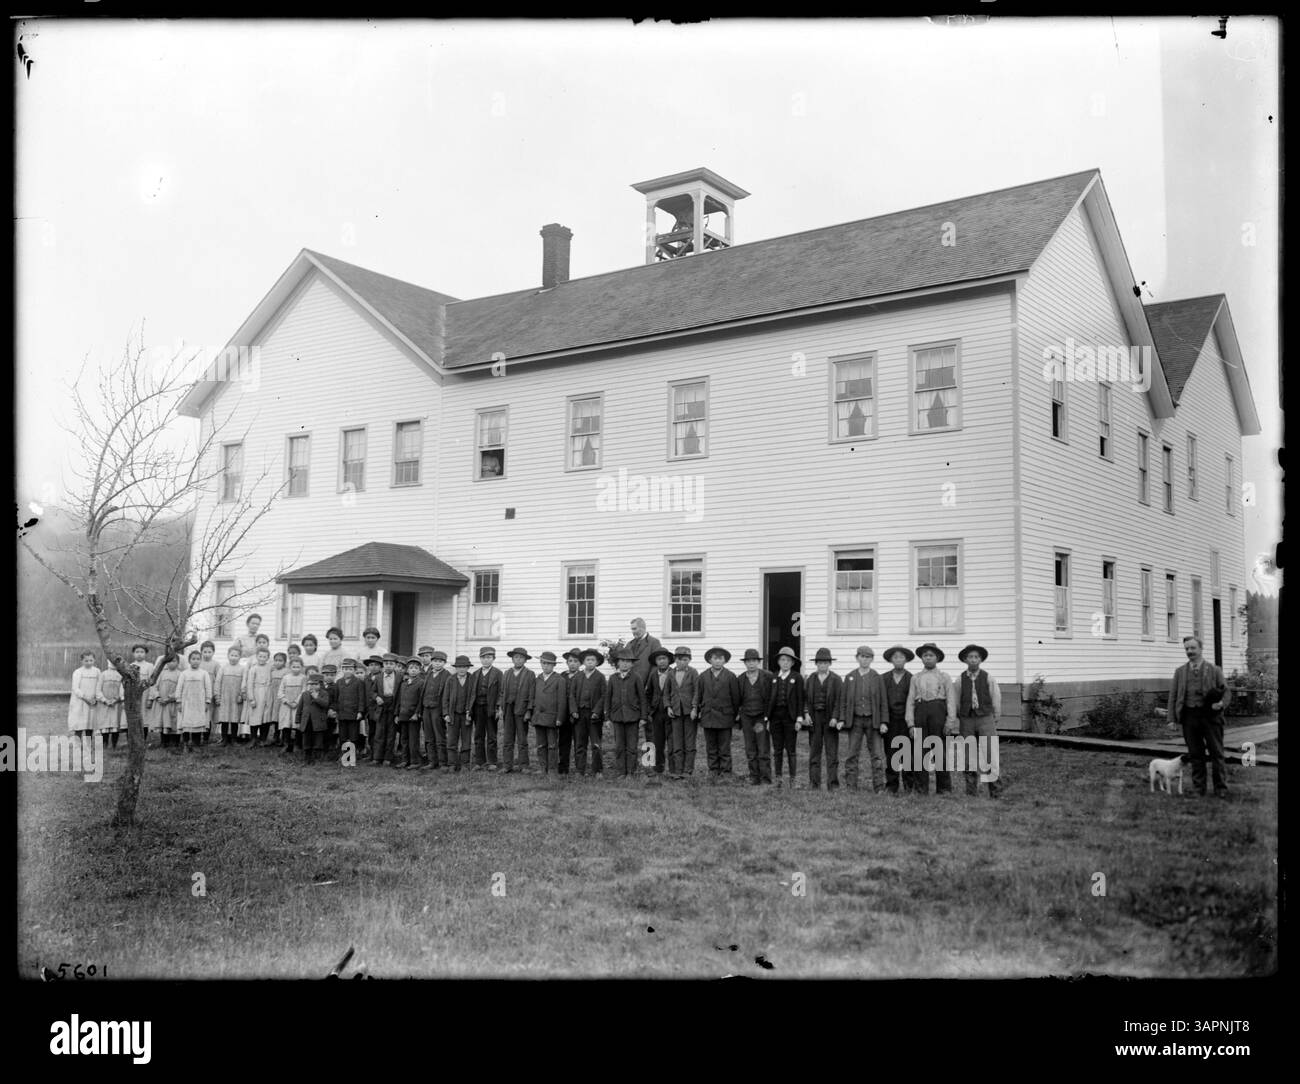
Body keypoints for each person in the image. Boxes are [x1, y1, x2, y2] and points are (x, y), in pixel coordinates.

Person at [1169, 635, 1232, 798]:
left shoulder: (1214, 670)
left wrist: (1221, 704)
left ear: (1201, 649)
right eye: (1187, 649)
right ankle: (1199, 788)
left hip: (1211, 717)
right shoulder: (1180, 672)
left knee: (1216, 753)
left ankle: (1221, 789)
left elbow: (1227, 692)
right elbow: (1173, 696)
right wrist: (1171, 719)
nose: (1189, 651)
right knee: (1196, 754)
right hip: (1189, 717)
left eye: (1193, 648)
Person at [904, 643, 956, 795]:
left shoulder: (944, 677)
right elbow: (910, 701)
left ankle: (944, 788)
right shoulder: (915, 678)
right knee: (920, 752)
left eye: (931, 655)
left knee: (939, 751)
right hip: (920, 713)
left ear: (937, 658)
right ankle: (921, 788)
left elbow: (951, 700)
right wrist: (911, 724)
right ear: (921, 658)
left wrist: (950, 721)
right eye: (925, 655)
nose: (928, 658)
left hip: (938, 713)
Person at [954, 644, 1002, 798]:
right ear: (965, 660)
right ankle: (971, 792)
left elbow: (996, 698)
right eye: (970, 657)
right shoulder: (960, 679)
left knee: (990, 754)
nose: (973, 660)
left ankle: (995, 792)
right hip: (967, 719)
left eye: (976, 657)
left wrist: (995, 716)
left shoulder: (988, 677)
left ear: (980, 660)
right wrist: (959, 716)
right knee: (968, 755)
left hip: (985, 718)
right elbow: (956, 700)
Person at [842, 645, 889, 792]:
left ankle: (879, 787)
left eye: (868, 657)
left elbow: (883, 701)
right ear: (857, 658)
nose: (865, 659)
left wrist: (883, 722)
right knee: (852, 754)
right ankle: (851, 786)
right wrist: (842, 719)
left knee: (876, 755)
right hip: (855, 720)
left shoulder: (877, 677)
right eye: (862, 656)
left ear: (872, 659)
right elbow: (844, 700)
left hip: (872, 721)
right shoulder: (850, 677)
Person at [695, 647, 741, 784]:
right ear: (710, 660)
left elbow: (736, 698)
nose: (717, 661)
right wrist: (698, 711)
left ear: (725, 661)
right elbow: (699, 696)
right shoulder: (703, 676)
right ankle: (713, 770)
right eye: (715, 658)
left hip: (725, 717)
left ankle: (726, 772)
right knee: (711, 746)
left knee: (724, 746)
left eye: (720, 658)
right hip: (708, 716)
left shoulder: (731, 676)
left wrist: (734, 714)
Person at [880, 646, 921, 794]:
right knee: (891, 753)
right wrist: (883, 722)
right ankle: (892, 785)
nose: (898, 660)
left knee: (907, 754)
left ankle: (909, 785)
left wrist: (912, 724)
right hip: (890, 721)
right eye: (895, 657)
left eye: (901, 657)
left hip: (906, 721)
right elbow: (881, 702)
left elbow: (915, 703)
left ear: (906, 660)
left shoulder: (912, 678)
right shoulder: (883, 678)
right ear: (891, 660)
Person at [801, 648, 843, 790]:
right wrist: (806, 714)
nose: (822, 665)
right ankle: (814, 783)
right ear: (816, 664)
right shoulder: (810, 679)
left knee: (832, 754)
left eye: (825, 663)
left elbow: (839, 701)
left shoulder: (836, 680)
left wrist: (835, 717)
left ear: (829, 664)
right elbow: (805, 700)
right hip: (815, 719)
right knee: (814, 752)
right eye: (820, 663)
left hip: (830, 718)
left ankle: (833, 784)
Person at [604, 649, 647, 780]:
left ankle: (630, 772)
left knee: (632, 747)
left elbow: (642, 698)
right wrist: (607, 717)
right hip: (617, 717)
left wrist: (643, 717)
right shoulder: (612, 678)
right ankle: (621, 771)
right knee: (619, 746)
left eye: (628, 662)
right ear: (617, 663)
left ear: (632, 664)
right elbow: (608, 698)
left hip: (632, 717)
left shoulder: (636, 678)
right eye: (622, 661)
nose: (625, 664)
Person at [766, 647, 803, 788]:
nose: (785, 663)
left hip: (790, 718)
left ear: (793, 663)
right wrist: (767, 719)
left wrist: (799, 719)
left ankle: (793, 780)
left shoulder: (797, 677)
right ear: (778, 661)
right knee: (777, 750)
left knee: (791, 750)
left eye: (788, 660)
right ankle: (778, 779)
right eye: (782, 660)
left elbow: (800, 699)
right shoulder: (774, 677)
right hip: (775, 718)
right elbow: (769, 699)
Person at [737, 649, 774, 785]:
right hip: (747, 718)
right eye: (748, 661)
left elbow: (771, 698)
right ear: (745, 663)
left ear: (758, 662)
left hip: (760, 718)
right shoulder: (740, 679)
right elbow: (737, 699)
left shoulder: (767, 677)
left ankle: (765, 778)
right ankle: (754, 777)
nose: (751, 664)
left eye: (754, 661)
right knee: (750, 748)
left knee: (763, 748)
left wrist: (769, 717)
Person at [569, 648, 607, 778]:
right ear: (583, 662)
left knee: (596, 744)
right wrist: (573, 710)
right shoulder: (577, 676)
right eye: (588, 660)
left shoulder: (600, 677)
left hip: (594, 715)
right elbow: (571, 695)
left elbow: (604, 696)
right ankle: (580, 770)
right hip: (579, 714)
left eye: (593, 660)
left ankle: (597, 770)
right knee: (580, 743)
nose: (590, 662)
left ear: (597, 662)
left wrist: (597, 711)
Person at [665, 647, 700, 779]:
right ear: (675, 660)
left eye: (686, 659)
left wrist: (694, 708)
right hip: (675, 712)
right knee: (677, 743)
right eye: (680, 659)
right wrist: (668, 706)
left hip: (689, 712)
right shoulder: (671, 673)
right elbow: (666, 693)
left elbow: (697, 691)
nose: (683, 662)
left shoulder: (693, 673)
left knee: (689, 743)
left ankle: (688, 771)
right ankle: (678, 771)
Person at [500, 647, 535, 774]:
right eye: (516, 657)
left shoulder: (530, 674)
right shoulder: (507, 673)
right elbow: (502, 692)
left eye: (521, 658)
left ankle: (524, 765)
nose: (518, 660)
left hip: (522, 709)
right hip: (508, 708)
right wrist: (501, 707)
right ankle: (507, 765)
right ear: (512, 659)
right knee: (508, 739)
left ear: (525, 660)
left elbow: (532, 694)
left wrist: (528, 711)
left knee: (522, 739)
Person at [468, 647, 503, 771]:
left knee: (492, 735)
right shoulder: (475, 674)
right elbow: (471, 693)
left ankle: (492, 761)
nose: (486, 660)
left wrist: (498, 708)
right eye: (483, 657)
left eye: (489, 657)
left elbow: (501, 692)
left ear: (493, 659)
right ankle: (479, 761)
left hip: (491, 708)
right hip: (477, 707)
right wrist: (469, 709)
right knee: (478, 735)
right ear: (480, 658)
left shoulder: (498, 673)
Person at [532, 651, 566, 775]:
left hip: (552, 717)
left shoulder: (559, 680)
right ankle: (543, 767)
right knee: (541, 744)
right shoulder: (538, 679)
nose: (546, 666)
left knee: (552, 745)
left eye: (549, 664)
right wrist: (533, 714)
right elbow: (533, 697)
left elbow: (562, 701)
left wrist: (559, 718)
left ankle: (552, 769)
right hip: (539, 717)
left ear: (554, 666)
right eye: (543, 663)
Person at [643, 647, 675, 779]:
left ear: (669, 660)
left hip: (672, 712)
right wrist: (650, 710)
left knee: (673, 741)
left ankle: (674, 769)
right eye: (659, 659)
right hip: (656, 713)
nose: (661, 662)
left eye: (664, 659)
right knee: (657, 741)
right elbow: (648, 693)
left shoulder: (674, 673)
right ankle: (658, 768)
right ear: (655, 662)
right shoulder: (653, 674)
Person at [175, 649, 213, 752]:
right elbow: (179, 687)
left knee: (197, 723)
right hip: (187, 702)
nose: (195, 661)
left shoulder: (204, 673)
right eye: (193, 659)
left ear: (200, 660)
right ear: (189, 660)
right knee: (186, 724)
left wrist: (207, 701)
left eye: (197, 659)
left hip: (199, 703)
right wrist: (178, 701)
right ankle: (186, 744)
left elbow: (208, 688)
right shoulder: (184, 674)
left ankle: (196, 744)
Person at [442, 655, 475, 771]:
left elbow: (472, 696)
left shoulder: (472, 679)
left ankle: (464, 764)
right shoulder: (450, 680)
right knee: (452, 740)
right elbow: (445, 698)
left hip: (466, 715)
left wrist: (469, 712)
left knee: (466, 740)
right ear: (456, 668)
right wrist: (446, 713)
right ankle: (452, 764)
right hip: (453, 714)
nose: (462, 669)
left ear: (468, 668)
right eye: (460, 667)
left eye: (464, 667)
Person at [368, 654, 401, 767]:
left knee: (391, 734)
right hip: (381, 707)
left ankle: (388, 758)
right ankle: (377, 757)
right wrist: (376, 697)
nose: (388, 666)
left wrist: (397, 710)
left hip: (393, 706)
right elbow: (372, 692)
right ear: (383, 665)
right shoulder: (378, 677)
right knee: (379, 733)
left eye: (391, 664)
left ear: (395, 665)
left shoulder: (399, 677)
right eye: (386, 664)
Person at [241, 646, 276, 746]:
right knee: (254, 717)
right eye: (260, 656)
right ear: (256, 657)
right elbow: (250, 684)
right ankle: (253, 739)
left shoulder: (270, 667)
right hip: (257, 693)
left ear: (268, 658)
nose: (262, 659)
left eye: (264, 657)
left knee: (266, 717)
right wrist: (251, 698)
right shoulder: (253, 669)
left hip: (268, 693)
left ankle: (263, 739)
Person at [394, 657, 425, 770]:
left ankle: (415, 761)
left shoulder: (421, 683)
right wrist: (397, 714)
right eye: (411, 668)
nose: (413, 670)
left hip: (413, 717)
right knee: (404, 739)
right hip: (403, 715)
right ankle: (404, 760)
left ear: (420, 670)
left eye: (416, 668)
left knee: (413, 739)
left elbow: (421, 700)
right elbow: (399, 700)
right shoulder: (403, 683)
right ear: (407, 669)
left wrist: (416, 713)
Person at [334, 656, 368, 757]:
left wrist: (360, 711)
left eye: (350, 669)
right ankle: (344, 756)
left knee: (353, 735)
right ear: (341, 670)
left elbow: (361, 698)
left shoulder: (358, 682)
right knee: (343, 735)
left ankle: (352, 756)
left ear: (354, 670)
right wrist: (336, 711)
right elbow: (336, 698)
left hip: (354, 713)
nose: (347, 671)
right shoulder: (339, 682)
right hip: (342, 713)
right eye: (345, 669)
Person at [298, 672, 332, 766]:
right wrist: (298, 720)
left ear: (320, 684)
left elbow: (325, 704)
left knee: (318, 741)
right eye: (310, 684)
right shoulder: (305, 694)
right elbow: (300, 708)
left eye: (315, 684)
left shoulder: (324, 693)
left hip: (318, 722)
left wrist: (316, 697)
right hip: (307, 721)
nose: (312, 686)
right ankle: (306, 759)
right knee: (306, 741)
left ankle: (316, 759)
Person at [215, 645, 246, 746]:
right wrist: (217, 696)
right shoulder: (223, 668)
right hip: (225, 698)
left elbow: (244, 683)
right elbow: (218, 682)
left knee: (234, 719)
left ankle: (234, 739)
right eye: (232, 655)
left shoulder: (242, 669)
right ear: (228, 656)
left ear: (240, 657)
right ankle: (224, 739)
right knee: (224, 719)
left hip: (236, 698)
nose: (233, 657)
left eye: (236, 655)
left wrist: (241, 695)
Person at [557, 649, 582, 775]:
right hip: (564, 714)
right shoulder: (562, 676)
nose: (573, 664)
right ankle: (563, 768)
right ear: (567, 663)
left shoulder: (582, 676)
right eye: (570, 661)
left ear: (580, 663)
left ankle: (579, 768)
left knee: (579, 741)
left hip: (578, 714)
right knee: (563, 741)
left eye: (576, 661)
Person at [148, 655, 181, 749]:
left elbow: (180, 689)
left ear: (178, 663)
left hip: (172, 703)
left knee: (173, 722)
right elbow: (154, 686)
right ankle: (164, 742)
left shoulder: (180, 674)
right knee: (163, 722)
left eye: (174, 661)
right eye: (169, 661)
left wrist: (170, 698)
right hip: (161, 703)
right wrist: (157, 697)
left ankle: (175, 743)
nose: (171, 663)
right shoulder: (161, 674)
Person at [67, 652, 98, 748]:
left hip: (92, 700)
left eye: (91, 660)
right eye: (86, 660)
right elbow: (75, 688)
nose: (89, 662)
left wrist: (95, 697)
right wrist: (85, 698)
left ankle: (89, 744)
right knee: (79, 723)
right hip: (80, 700)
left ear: (94, 660)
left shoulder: (97, 671)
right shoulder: (78, 672)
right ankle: (78, 743)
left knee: (90, 722)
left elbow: (99, 685)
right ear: (82, 661)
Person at [94, 654, 125, 750]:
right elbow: (98, 689)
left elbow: (122, 689)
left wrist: (117, 699)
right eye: (111, 662)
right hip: (104, 704)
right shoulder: (103, 674)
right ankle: (105, 744)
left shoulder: (121, 675)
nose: (113, 664)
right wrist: (104, 700)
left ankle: (114, 745)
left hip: (116, 704)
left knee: (115, 723)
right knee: (105, 724)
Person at [277, 656, 306, 755]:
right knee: (286, 724)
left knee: (297, 724)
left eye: (298, 667)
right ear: (290, 667)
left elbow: (303, 691)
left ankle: (297, 745)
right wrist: (286, 701)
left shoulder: (303, 678)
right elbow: (280, 692)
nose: (296, 669)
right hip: (286, 705)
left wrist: (297, 702)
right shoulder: (286, 678)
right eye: (293, 667)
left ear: (302, 667)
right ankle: (286, 744)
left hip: (298, 705)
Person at [198, 641, 221, 744]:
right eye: (205, 652)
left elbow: (218, 680)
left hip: (210, 694)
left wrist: (216, 695)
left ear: (213, 652)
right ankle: (197, 736)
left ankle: (206, 738)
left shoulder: (216, 664)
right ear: (201, 652)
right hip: (198, 693)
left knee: (208, 715)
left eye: (209, 652)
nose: (207, 654)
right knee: (198, 714)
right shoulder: (198, 663)